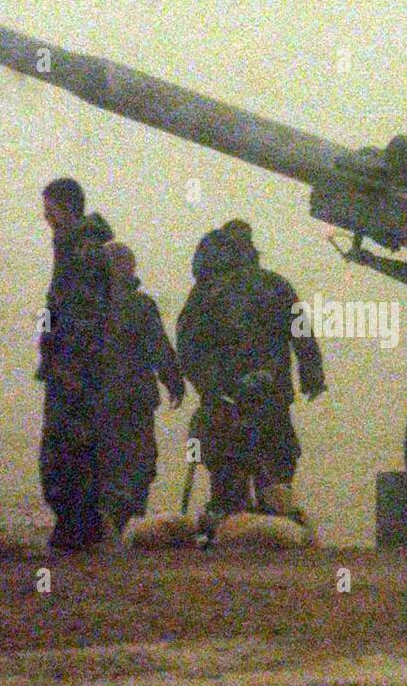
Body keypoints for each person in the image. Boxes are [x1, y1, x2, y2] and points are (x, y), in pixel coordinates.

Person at [176, 221, 325, 542]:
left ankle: (230, 537)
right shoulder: (275, 285)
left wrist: (210, 390)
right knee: (276, 472)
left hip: (226, 404)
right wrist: (312, 374)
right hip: (272, 398)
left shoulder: (204, 293)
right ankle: (278, 534)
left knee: (229, 477)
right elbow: (302, 334)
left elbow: (188, 348)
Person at [36, 177, 116, 552]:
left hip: (75, 371)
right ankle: (80, 525)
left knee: (67, 448)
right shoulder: (75, 247)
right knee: (75, 446)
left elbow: (84, 315)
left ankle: (77, 526)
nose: (46, 217)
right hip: (74, 368)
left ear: (64, 208)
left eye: (50, 209)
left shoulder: (80, 251)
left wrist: (69, 367)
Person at [95, 242, 186, 537]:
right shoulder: (140, 305)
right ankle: (128, 522)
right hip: (134, 401)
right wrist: (173, 381)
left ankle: (105, 521)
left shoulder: (86, 304)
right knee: (138, 463)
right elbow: (158, 347)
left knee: (104, 461)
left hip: (97, 402)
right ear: (128, 268)